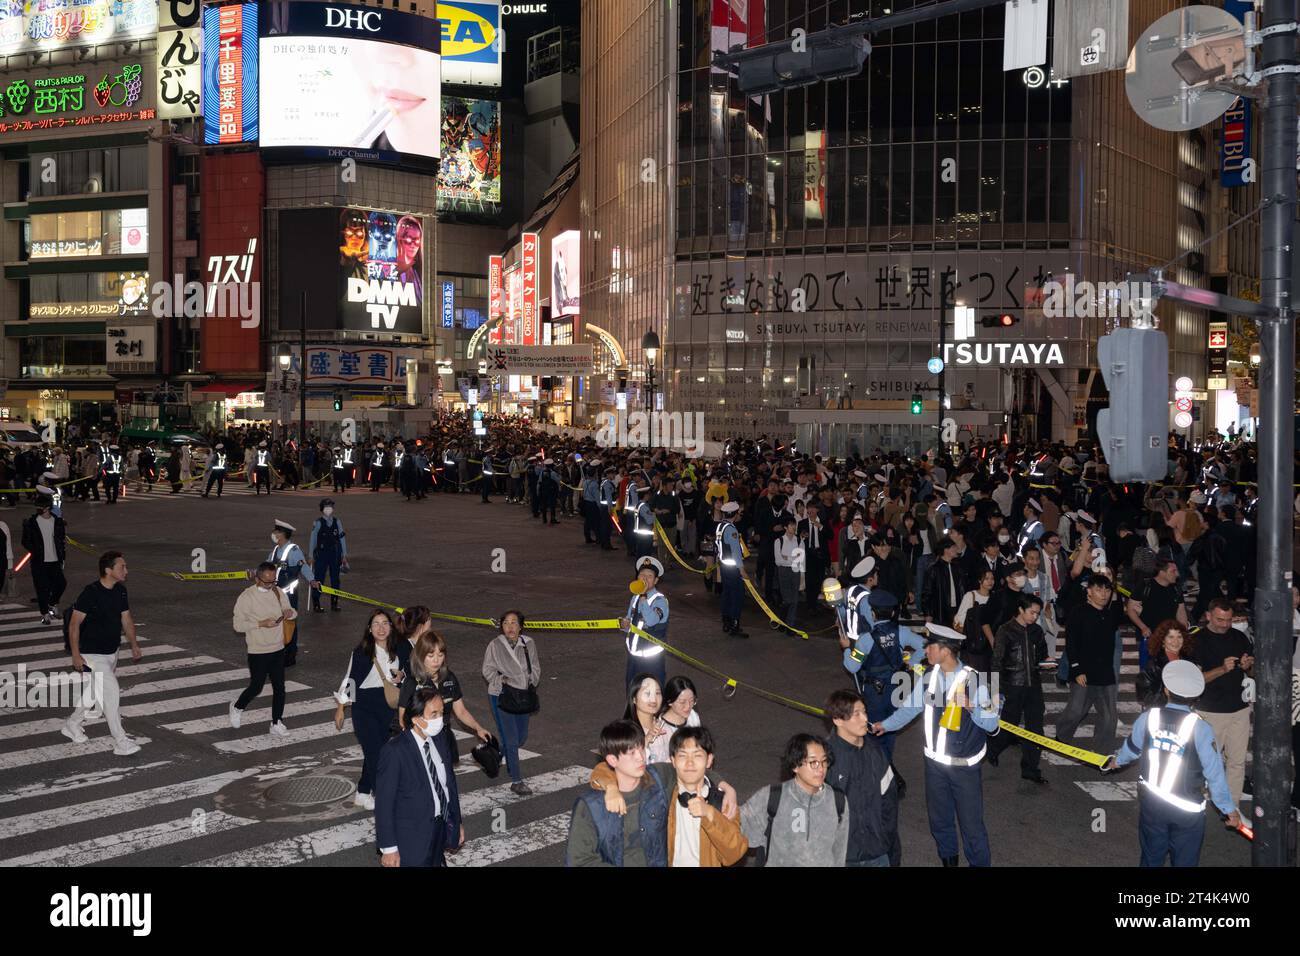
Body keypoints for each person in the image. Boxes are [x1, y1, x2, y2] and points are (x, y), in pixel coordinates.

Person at [873, 624, 1001, 866]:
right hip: (934, 766)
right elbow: (910, 708)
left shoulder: (976, 681)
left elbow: (993, 725)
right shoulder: (929, 678)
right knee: (940, 821)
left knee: (972, 827)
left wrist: (972, 706)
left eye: (930, 646)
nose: (925, 650)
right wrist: (885, 725)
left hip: (964, 770)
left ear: (945, 651)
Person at [1103, 660, 1241, 866]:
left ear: (1166, 690)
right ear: (1195, 696)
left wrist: (1116, 761)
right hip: (1187, 810)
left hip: (1152, 803)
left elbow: (1131, 749)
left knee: (1151, 856)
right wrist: (1228, 809)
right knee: (1185, 860)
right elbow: (1214, 773)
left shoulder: (1149, 717)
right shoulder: (1201, 728)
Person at [585, 725, 747, 867]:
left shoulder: (722, 802)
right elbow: (605, 769)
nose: (690, 763)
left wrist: (709, 814)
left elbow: (734, 853)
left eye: (697, 755)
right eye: (683, 756)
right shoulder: (663, 788)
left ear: (709, 760)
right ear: (673, 761)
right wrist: (612, 787)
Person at [62, 551, 142, 756]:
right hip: (92, 654)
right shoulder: (91, 592)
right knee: (111, 693)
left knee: (96, 690)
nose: (126, 570)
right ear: (108, 570)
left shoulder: (120, 591)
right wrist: (76, 654)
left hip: (111, 651)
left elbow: (126, 619)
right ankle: (121, 741)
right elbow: (74, 624)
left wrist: (134, 644)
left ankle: (72, 723)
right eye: (122, 567)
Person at [376, 684, 464, 868]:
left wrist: (456, 823)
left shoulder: (439, 739)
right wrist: (389, 848)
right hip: (411, 839)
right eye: (434, 714)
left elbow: (449, 784)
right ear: (416, 719)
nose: (440, 719)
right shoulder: (395, 751)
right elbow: (384, 803)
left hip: (439, 829)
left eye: (441, 713)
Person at [565, 719, 674, 866]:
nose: (640, 757)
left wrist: (716, 780)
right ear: (612, 760)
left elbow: (691, 772)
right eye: (631, 753)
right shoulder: (591, 806)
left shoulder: (659, 777)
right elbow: (579, 861)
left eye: (641, 748)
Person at [333, 609, 409, 810]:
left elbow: (412, 670)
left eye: (385, 623)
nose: (381, 628)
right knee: (376, 753)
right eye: (376, 624)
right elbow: (350, 680)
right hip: (364, 706)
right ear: (369, 628)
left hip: (387, 705)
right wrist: (341, 707)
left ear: (391, 627)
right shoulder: (362, 652)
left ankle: (363, 791)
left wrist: (402, 675)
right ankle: (384, 799)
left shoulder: (400, 647)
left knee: (375, 750)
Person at [739, 733, 850, 867]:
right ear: (795, 766)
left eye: (824, 761)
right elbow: (734, 829)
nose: (821, 768)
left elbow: (839, 854)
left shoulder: (838, 801)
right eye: (813, 762)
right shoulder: (772, 797)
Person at [841, 588, 924, 761]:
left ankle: (880, 767)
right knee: (891, 724)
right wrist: (912, 662)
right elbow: (924, 646)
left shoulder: (866, 640)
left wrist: (846, 648)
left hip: (874, 692)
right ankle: (887, 761)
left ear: (872, 613)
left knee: (873, 730)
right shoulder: (902, 632)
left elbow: (852, 667)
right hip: (897, 687)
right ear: (893, 612)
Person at [823, 689, 902, 866]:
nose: (865, 719)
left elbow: (889, 802)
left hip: (878, 853)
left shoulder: (876, 753)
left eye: (864, 711)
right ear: (837, 720)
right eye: (856, 714)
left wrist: (890, 847)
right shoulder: (824, 760)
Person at [397, 625, 493, 757]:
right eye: (431, 655)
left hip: (444, 737)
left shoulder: (449, 677)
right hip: (420, 739)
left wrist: (478, 728)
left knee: (447, 776)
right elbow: (402, 719)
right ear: (420, 655)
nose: (436, 660)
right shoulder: (412, 683)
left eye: (440, 655)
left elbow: (461, 711)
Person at [1055, 572, 1124, 754]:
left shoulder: (1110, 615)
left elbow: (1120, 618)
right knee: (1076, 711)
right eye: (1099, 589)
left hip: (1105, 674)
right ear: (1089, 591)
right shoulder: (1079, 612)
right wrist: (1077, 669)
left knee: (1110, 717)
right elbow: (1071, 643)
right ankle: (1061, 737)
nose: (1104, 593)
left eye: (1107, 589)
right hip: (1083, 672)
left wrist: (1115, 596)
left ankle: (1101, 753)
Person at [1195, 598, 1255, 806]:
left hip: (1239, 709)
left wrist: (1248, 666)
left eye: (1229, 620)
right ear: (1208, 616)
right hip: (1210, 712)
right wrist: (1222, 669)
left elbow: (1254, 672)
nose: (1225, 625)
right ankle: (1196, 801)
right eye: (1220, 619)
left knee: (1237, 762)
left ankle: (1233, 806)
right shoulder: (1197, 641)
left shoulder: (1239, 638)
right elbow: (1196, 679)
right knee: (1206, 762)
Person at [230, 562, 297, 739]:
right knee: (256, 686)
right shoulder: (247, 597)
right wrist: (261, 624)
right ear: (257, 578)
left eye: (273, 581)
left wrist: (290, 612)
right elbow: (237, 625)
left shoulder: (277, 591)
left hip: (278, 647)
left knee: (279, 687)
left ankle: (276, 722)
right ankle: (237, 707)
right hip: (257, 649)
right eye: (267, 581)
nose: (271, 585)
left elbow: (290, 610)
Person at [988, 594, 1050, 784]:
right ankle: (991, 749)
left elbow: (1042, 655)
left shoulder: (1037, 631)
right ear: (1021, 610)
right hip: (1012, 686)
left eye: (1037, 614)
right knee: (1008, 727)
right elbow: (996, 662)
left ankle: (1031, 769)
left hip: (1033, 686)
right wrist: (995, 691)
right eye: (1032, 612)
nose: (1034, 617)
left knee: (1036, 730)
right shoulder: (1005, 631)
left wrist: (1046, 663)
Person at [482, 609, 541, 796]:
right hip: (502, 695)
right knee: (512, 740)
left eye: (514, 623)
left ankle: (494, 753)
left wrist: (532, 680)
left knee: (521, 737)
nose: (509, 627)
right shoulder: (495, 645)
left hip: (522, 696)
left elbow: (536, 666)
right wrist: (503, 681)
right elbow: (487, 670)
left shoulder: (528, 643)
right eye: (506, 623)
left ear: (521, 626)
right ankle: (516, 780)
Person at [1127, 558, 1189, 671]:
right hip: (1150, 637)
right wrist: (1143, 627)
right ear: (1162, 572)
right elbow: (1130, 609)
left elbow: (1180, 611)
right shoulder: (1145, 585)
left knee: (1171, 671)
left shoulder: (1176, 588)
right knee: (1149, 671)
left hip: (1170, 639)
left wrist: (1183, 629)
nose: (1177, 574)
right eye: (1173, 571)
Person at [22, 494, 66, 625]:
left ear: (48, 508)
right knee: (42, 588)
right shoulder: (31, 523)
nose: (38, 509)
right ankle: (45, 613)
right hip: (39, 561)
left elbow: (61, 540)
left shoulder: (57, 522)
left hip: (55, 560)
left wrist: (62, 554)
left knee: (61, 584)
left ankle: (52, 603)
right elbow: (25, 541)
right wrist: (35, 550)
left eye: (41, 507)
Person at [1140, 619, 1198, 707]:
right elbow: (1143, 695)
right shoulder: (1154, 664)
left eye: (1179, 637)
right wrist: (1168, 698)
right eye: (1171, 637)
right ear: (1163, 639)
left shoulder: (1189, 661)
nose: (1176, 641)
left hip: (1185, 710)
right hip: (1161, 711)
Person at [648, 675, 701, 764]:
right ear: (670, 701)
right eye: (682, 702)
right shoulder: (659, 729)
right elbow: (657, 765)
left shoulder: (693, 716)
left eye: (692, 700)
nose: (688, 706)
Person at [716, 500, 749, 637]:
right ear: (735, 514)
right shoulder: (731, 529)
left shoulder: (720, 526)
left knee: (727, 594)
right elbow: (736, 552)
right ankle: (735, 625)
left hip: (723, 565)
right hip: (733, 568)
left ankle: (726, 622)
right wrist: (742, 570)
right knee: (737, 596)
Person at [308, 499, 347, 613]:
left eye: (330, 506)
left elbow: (342, 539)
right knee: (319, 578)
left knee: (335, 579)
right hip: (321, 554)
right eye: (326, 506)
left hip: (335, 554)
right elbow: (313, 540)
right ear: (322, 509)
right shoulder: (318, 523)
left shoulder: (337, 522)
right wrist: (310, 556)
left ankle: (334, 603)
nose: (329, 509)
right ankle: (316, 603)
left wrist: (344, 554)